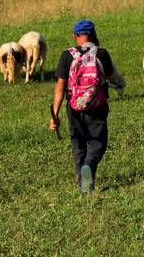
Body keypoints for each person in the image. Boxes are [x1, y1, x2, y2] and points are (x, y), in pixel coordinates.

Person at [49, 20, 124, 194]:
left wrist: (55, 114)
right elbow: (113, 76)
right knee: (97, 142)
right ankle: (88, 168)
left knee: (78, 143)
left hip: (74, 108)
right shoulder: (102, 54)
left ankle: (83, 182)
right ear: (94, 35)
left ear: (75, 36)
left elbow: (60, 87)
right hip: (97, 106)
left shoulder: (66, 56)